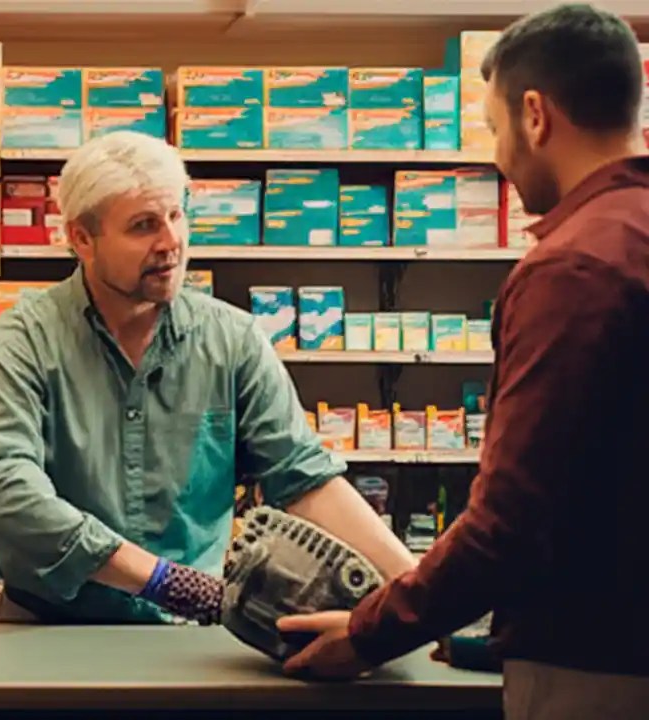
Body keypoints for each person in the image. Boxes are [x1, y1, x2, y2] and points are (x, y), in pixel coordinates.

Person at [277, 4, 649, 717]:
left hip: (599, 670)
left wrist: (369, 633)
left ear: (535, 115)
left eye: (494, 128)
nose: (498, 157)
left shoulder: (574, 267)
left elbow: (511, 521)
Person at [0, 129, 416, 625]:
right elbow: (10, 495)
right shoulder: (23, 342)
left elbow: (303, 477)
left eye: (177, 215)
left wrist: (418, 590)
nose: (171, 243)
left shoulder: (233, 339)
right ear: (82, 239)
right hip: (48, 630)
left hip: (190, 632)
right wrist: (164, 581)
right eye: (143, 226)